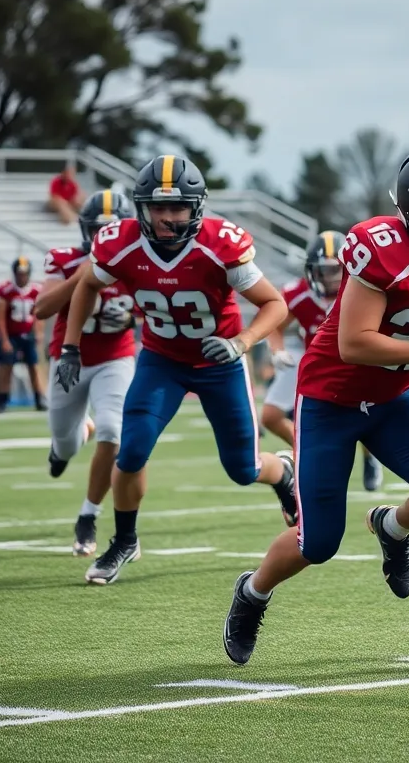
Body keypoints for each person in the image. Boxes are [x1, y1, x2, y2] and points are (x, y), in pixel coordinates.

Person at [221, 143, 409, 666]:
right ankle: (252, 593)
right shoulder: (380, 247)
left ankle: (390, 526)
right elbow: (354, 343)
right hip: (330, 398)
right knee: (318, 543)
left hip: (392, 398)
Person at [56, 154, 295, 585]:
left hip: (219, 364)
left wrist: (240, 343)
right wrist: (70, 346)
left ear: (196, 207)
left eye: (178, 207)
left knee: (242, 470)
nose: (167, 217)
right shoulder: (120, 242)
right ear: (141, 207)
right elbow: (87, 284)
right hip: (162, 360)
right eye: (158, 207)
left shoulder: (220, 244)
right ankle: (125, 540)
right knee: (130, 453)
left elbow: (275, 304)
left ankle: (283, 473)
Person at [35, 189, 138, 557]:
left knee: (114, 430)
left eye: (112, 230)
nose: (103, 238)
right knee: (64, 441)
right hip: (69, 358)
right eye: (97, 230)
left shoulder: (139, 261)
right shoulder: (65, 259)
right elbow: (42, 309)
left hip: (116, 357)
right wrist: (79, 277)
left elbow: (156, 311)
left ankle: (88, 514)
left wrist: (133, 319)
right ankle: (74, 437)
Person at [262, 229, 383, 491]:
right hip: (313, 362)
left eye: (336, 270)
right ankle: (307, 452)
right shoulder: (299, 293)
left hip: (354, 364)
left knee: (359, 415)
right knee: (270, 416)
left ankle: (369, 454)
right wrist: (277, 350)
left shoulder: (365, 289)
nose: (329, 278)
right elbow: (274, 324)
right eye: (323, 270)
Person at [0, 257, 45, 411]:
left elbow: (38, 313)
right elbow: (0, 317)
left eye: (24, 274)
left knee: (34, 366)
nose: (22, 277)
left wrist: (38, 332)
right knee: (6, 366)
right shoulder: (6, 290)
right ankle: (2, 399)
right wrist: (4, 339)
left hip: (28, 334)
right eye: (19, 274)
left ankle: (39, 398)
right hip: (12, 335)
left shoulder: (36, 290)